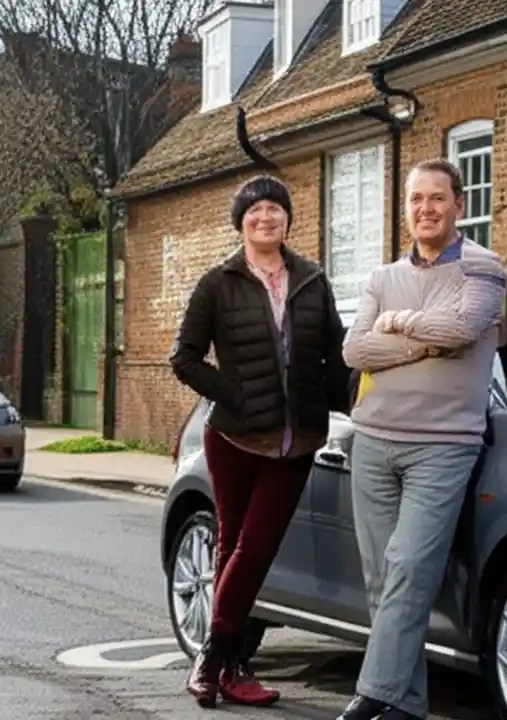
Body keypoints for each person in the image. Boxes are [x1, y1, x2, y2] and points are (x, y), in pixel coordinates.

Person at [336, 159, 507, 720]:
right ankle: (406, 704)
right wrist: (427, 337)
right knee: (385, 579)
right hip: (371, 439)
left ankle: (373, 696)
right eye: (417, 199)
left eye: (437, 198)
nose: (426, 208)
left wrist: (396, 324)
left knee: (412, 567)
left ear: (459, 205)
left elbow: (464, 330)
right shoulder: (381, 278)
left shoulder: (484, 270)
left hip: (442, 445)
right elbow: (355, 352)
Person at [170, 174, 350, 709]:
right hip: (234, 436)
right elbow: (184, 357)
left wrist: (355, 401)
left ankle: (217, 657)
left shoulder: (313, 280)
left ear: (288, 220)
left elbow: (336, 354)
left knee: (256, 545)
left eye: (275, 209)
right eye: (255, 211)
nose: (266, 217)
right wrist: (235, 395)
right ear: (241, 222)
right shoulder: (217, 282)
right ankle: (226, 661)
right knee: (236, 545)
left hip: (295, 441)